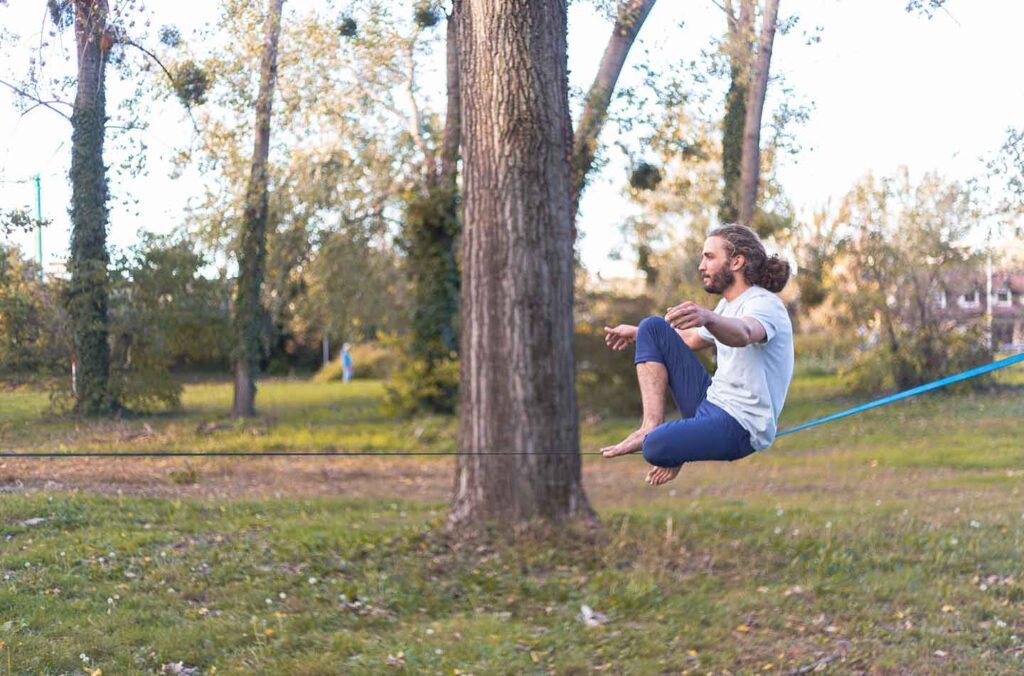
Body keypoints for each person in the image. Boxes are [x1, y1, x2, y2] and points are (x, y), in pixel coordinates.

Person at [601, 223, 794, 487]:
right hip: (711, 402)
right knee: (652, 327)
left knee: (654, 448)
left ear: (736, 261)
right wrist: (639, 335)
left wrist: (707, 317)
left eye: (709, 257)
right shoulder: (727, 305)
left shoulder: (764, 304)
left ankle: (671, 442)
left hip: (740, 425)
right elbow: (691, 339)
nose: (702, 266)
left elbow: (744, 332)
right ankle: (651, 424)